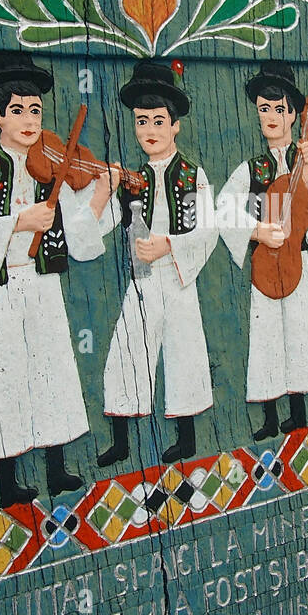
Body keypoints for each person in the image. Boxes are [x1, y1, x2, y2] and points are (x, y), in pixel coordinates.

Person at [0, 51, 116, 506]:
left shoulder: (52, 170)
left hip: (43, 283)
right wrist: (18, 222)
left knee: (52, 368)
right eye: (18, 110)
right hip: (2, 289)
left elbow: (81, 231)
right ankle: (7, 479)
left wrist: (101, 190)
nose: (28, 119)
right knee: (3, 376)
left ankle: (56, 467)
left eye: (36, 110)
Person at [97, 60, 217, 466]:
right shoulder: (133, 178)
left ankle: (186, 438)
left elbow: (210, 229)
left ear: (175, 125)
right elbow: (95, 229)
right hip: (144, 279)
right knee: (127, 349)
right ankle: (122, 440)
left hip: (180, 276)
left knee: (185, 352)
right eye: (142, 121)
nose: (150, 131)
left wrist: (170, 245)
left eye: (159, 121)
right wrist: (104, 191)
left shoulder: (192, 174)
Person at [217, 61, 308, 439]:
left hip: (295, 262)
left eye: (280, 109)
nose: (272, 117)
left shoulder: (303, 164)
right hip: (266, 264)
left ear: (295, 115)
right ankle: (268, 416)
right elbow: (223, 208)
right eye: (265, 109)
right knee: (265, 339)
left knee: (297, 333)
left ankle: (298, 411)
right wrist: (257, 230)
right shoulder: (253, 169)